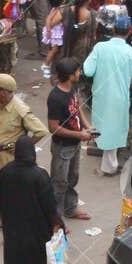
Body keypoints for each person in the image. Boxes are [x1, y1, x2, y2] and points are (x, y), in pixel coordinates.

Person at [0, 135, 61, 264]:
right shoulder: (39, 175)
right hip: (36, 223)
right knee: (35, 249)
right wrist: (56, 222)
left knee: (16, 248)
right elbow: (49, 203)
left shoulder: (5, 172)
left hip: (12, 221)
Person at [82, 9, 132, 176]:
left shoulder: (100, 47)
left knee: (105, 126)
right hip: (121, 96)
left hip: (101, 95)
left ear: (113, 30)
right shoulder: (131, 52)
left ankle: (109, 165)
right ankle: (110, 164)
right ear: (129, 32)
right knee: (115, 127)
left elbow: (88, 70)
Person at [0, 74, 48, 199]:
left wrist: (21, 147)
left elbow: (41, 131)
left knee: (10, 191)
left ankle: (10, 217)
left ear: (3, 91)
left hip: (8, 156)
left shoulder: (19, 109)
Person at [46, 58, 93, 221]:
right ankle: (55, 220)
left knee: (72, 179)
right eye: (77, 71)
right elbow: (53, 127)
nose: (79, 73)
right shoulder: (55, 97)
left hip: (75, 144)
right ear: (70, 75)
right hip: (62, 147)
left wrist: (87, 126)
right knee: (59, 184)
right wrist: (79, 135)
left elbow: (77, 107)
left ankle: (70, 209)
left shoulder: (72, 89)